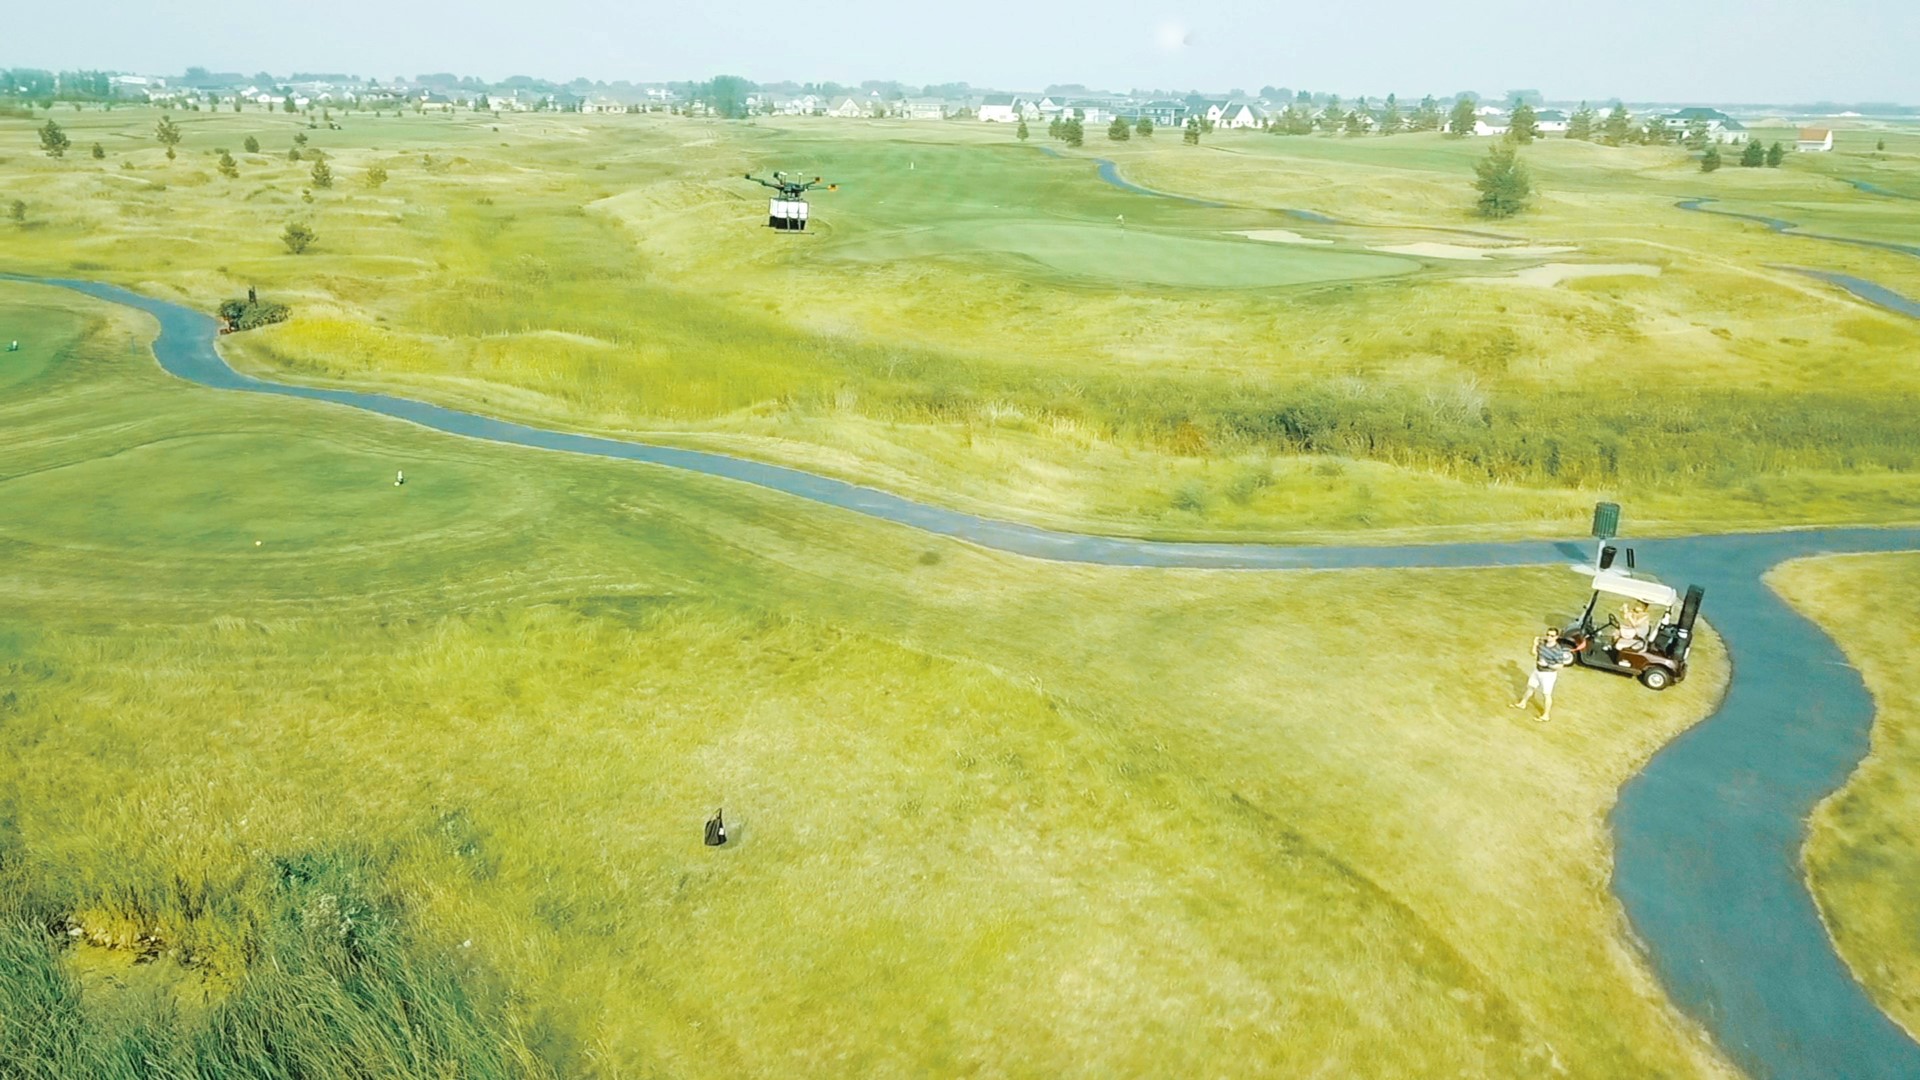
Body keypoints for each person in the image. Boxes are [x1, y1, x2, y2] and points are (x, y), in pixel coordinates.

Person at [1512, 625, 1575, 723]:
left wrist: (1548, 664)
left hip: (1548, 675)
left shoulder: (1557, 650)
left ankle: (1546, 715)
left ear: (1556, 637)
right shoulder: (1542, 643)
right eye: (1548, 635)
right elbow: (1533, 653)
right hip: (1537, 671)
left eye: (1552, 636)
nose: (1549, 637)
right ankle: (1522, 703)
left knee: (1546, 694)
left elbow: (1560, 666)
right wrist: (1534, 644)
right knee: (1530, 687)